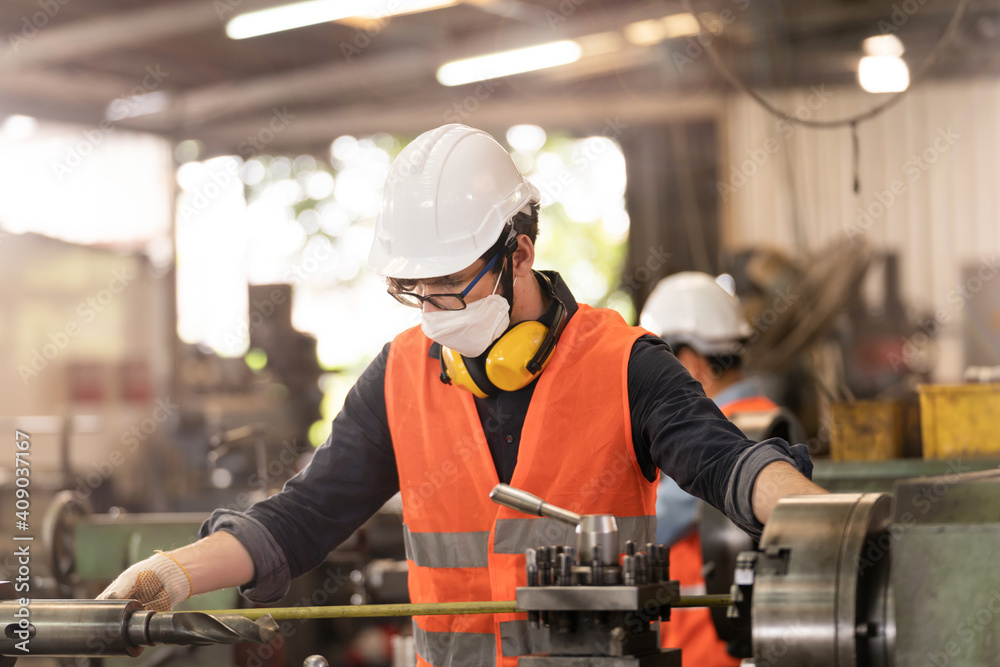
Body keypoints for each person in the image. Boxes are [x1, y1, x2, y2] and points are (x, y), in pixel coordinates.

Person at [99, 124, 824, 667]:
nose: (435, 309)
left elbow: (730, 463)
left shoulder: (625, 365)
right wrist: (175, 571)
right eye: (416, 290)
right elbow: (303, 517)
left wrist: (820, 518)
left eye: (452, 285)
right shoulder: (399, 376)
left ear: (519, 251)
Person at [640, 271, 805, 666]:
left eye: (655, 369)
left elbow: (646, 525)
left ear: (691, 363)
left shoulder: (705, 442)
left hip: (706, 650)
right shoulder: (773, 418)